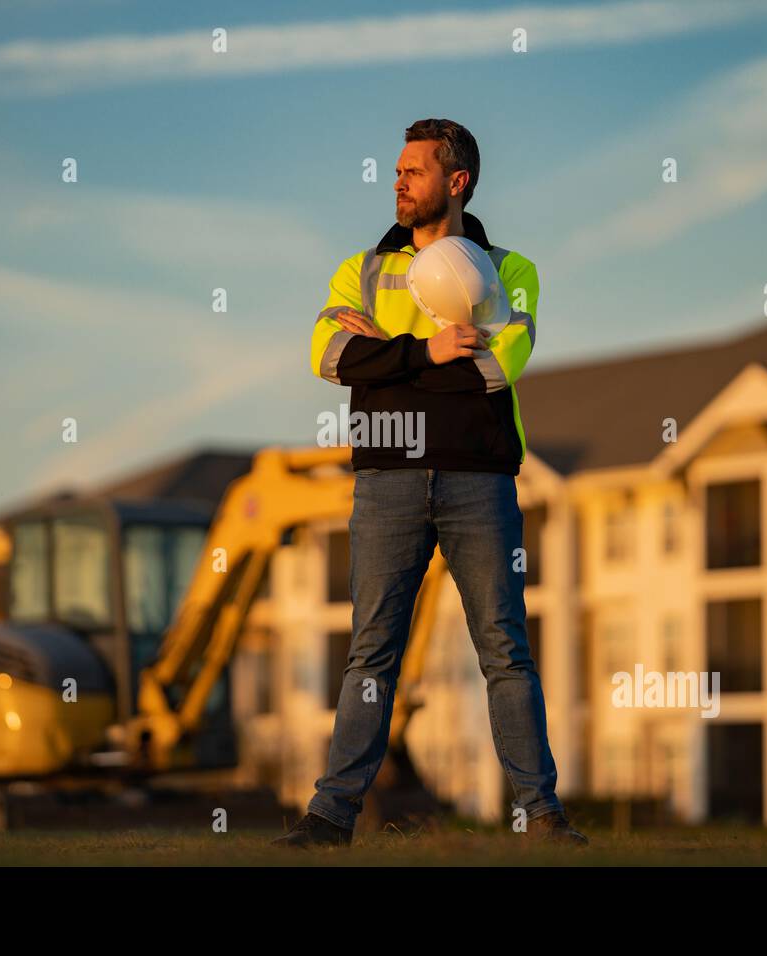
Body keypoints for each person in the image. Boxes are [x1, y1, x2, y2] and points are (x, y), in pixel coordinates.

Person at [273, 118, 587, 848]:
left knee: (504, 650)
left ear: (457, 180)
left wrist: (383, 356)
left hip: (480, 480)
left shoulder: (512, 269)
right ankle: (330, 818)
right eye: (396, 170)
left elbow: (495, 369)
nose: (397, 182)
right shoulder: (360, 268)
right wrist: (427, 348)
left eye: (412, 171)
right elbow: (326, 355)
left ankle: (542, 817)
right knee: (370, 652)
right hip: (384, 478)